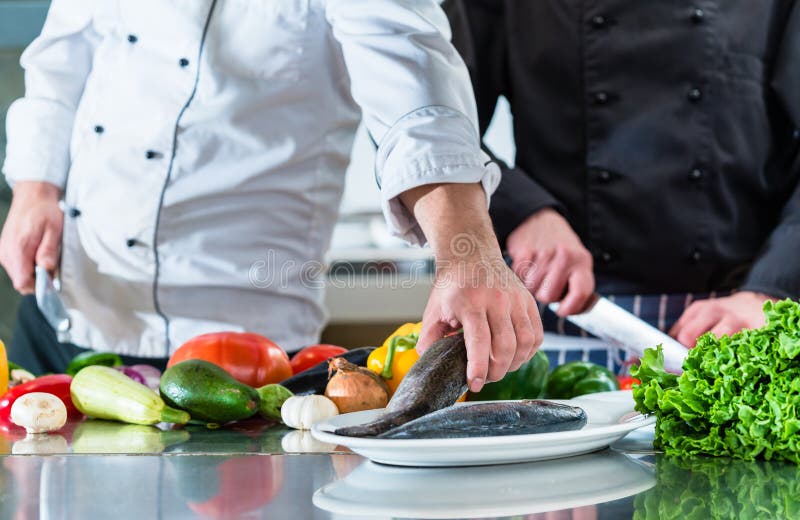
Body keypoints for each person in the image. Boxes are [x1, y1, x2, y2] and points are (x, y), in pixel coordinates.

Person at [0, 0, 542, 390]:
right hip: (64, 302)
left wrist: (467, 250)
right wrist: (34, 188)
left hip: (245, 352)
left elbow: (413, 85)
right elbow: (62, 57)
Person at [444, 0, 800, 366]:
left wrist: (770, 291)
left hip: (734, 321)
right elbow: (432, 124)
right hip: (560, 322)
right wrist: (522, 210)